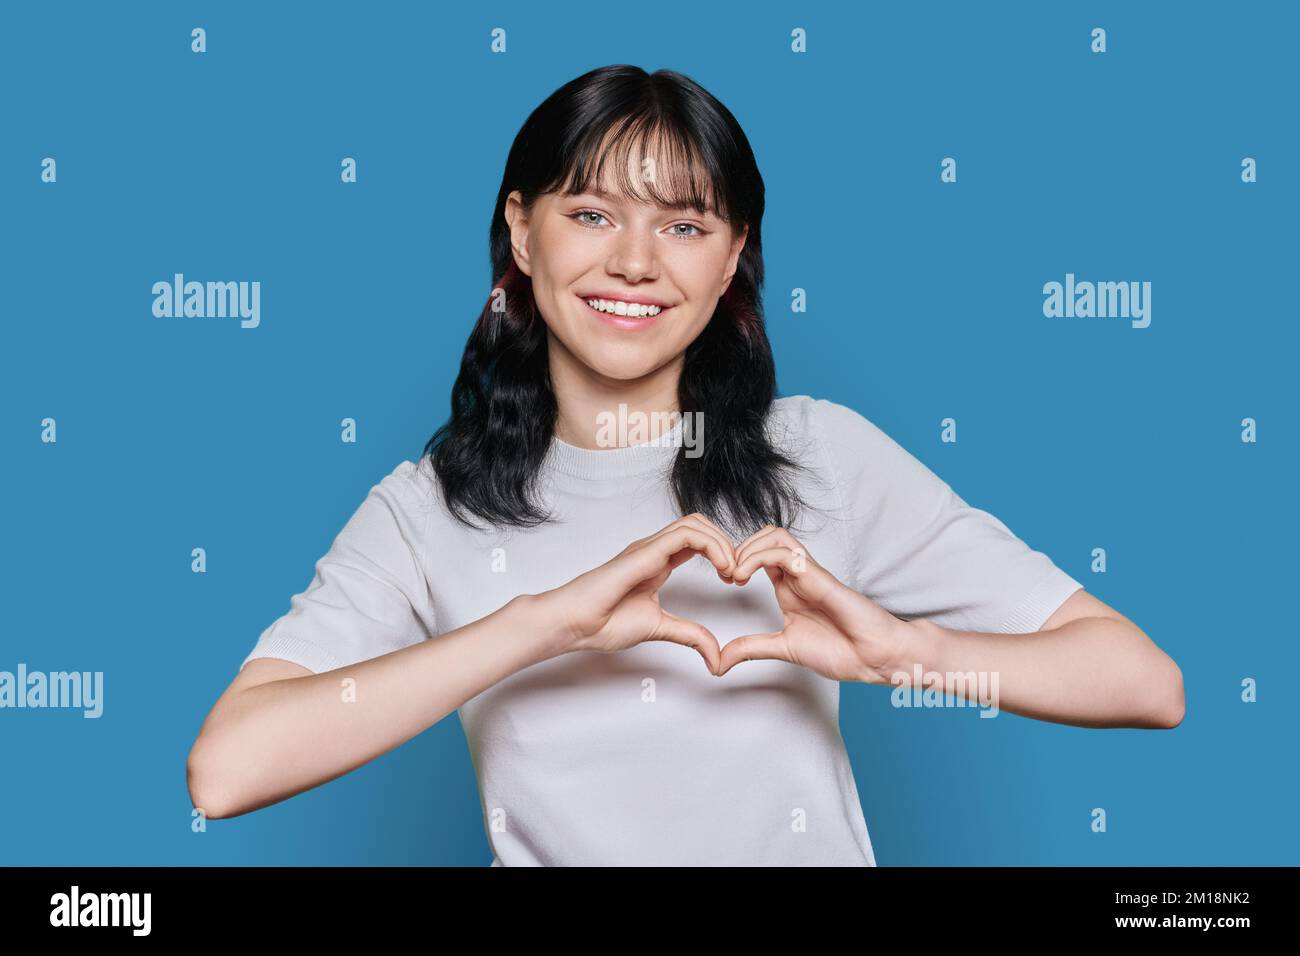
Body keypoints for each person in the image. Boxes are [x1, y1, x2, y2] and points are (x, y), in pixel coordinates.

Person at [186, 64, 1184, 866]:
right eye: (591, 213)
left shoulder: (818, 455)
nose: (634, 261)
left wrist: (898, 652)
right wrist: (540, 625)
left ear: (731, 255)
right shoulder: (427, 509)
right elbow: (227, 768)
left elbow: (1142, 682)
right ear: (521, 230)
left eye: (684, 224)